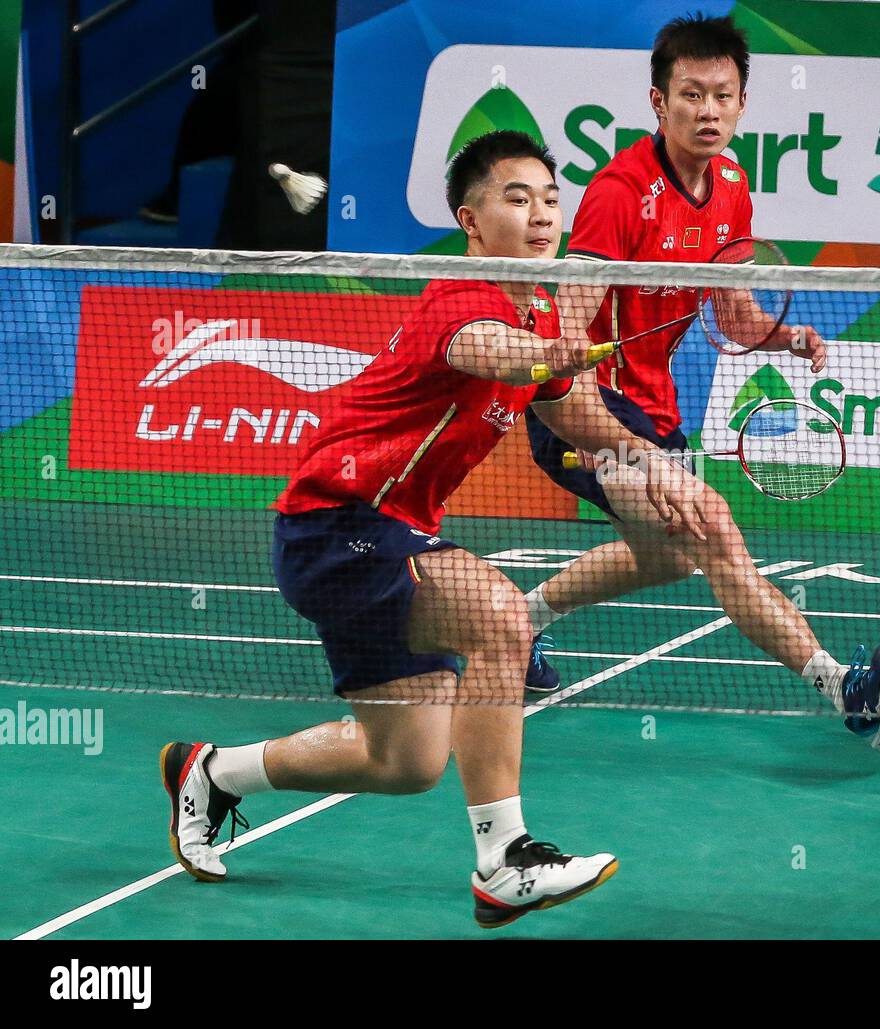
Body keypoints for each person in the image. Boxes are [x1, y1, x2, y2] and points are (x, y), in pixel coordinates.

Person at [160, 130, 708, 929]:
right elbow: (485, 350)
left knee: (407, 759)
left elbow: (574, 409)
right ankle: (506, 859)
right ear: (471, 219)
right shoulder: (463, 296)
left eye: (551, 198)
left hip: (386, 535)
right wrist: (544, 353)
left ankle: (211, 773)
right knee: (500, 617)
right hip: (338, 521)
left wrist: (651, 463)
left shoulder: (540, 306)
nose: (541, 213)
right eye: (516, 198)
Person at [524, 13, 880, 748]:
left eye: (722, 95)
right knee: (714, 529)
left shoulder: (731, 185)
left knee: (668, 554)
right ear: (658, 103)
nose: (707, 110)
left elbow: (731, 309)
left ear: (741, 103)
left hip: (655, 408)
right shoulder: (617, 192)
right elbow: (566, 331)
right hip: (586, 410)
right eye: (691, 94)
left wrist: (783, 336)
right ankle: (844, 687)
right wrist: (609, 438)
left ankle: (517, 622)